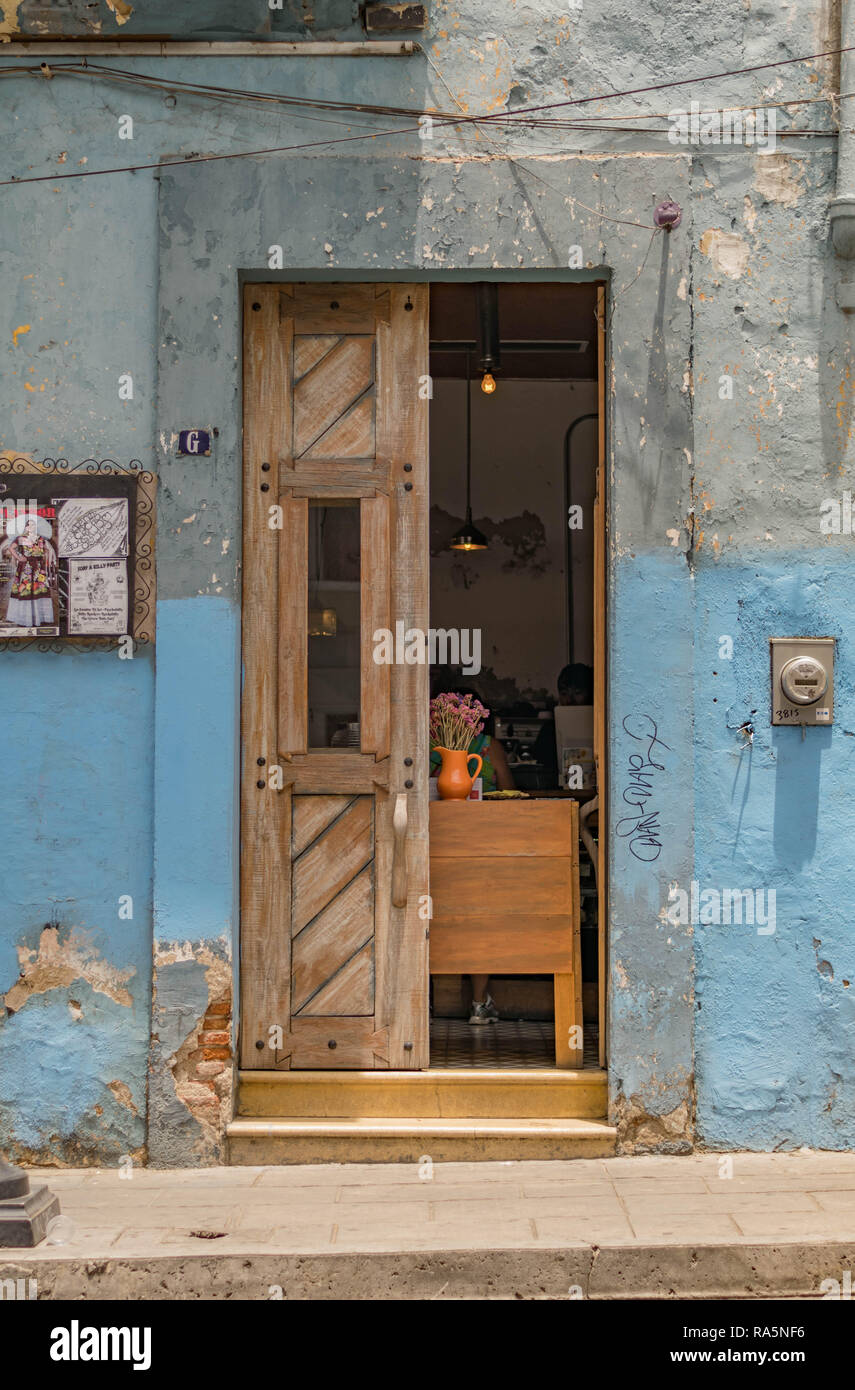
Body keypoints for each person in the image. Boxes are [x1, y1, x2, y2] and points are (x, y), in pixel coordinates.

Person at [429, 677, 515, 1025]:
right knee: (481, 920)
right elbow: (511, 791)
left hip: (439, 842)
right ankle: (479, 1003)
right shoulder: (487, 747)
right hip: (484, 842)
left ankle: (423, 1003)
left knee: (438, 918)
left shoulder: (431, 747)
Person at [533, 662, 595, 781]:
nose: (570, 700)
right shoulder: (549, 730)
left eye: (577, 693)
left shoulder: (601, 725)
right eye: (564, 694)